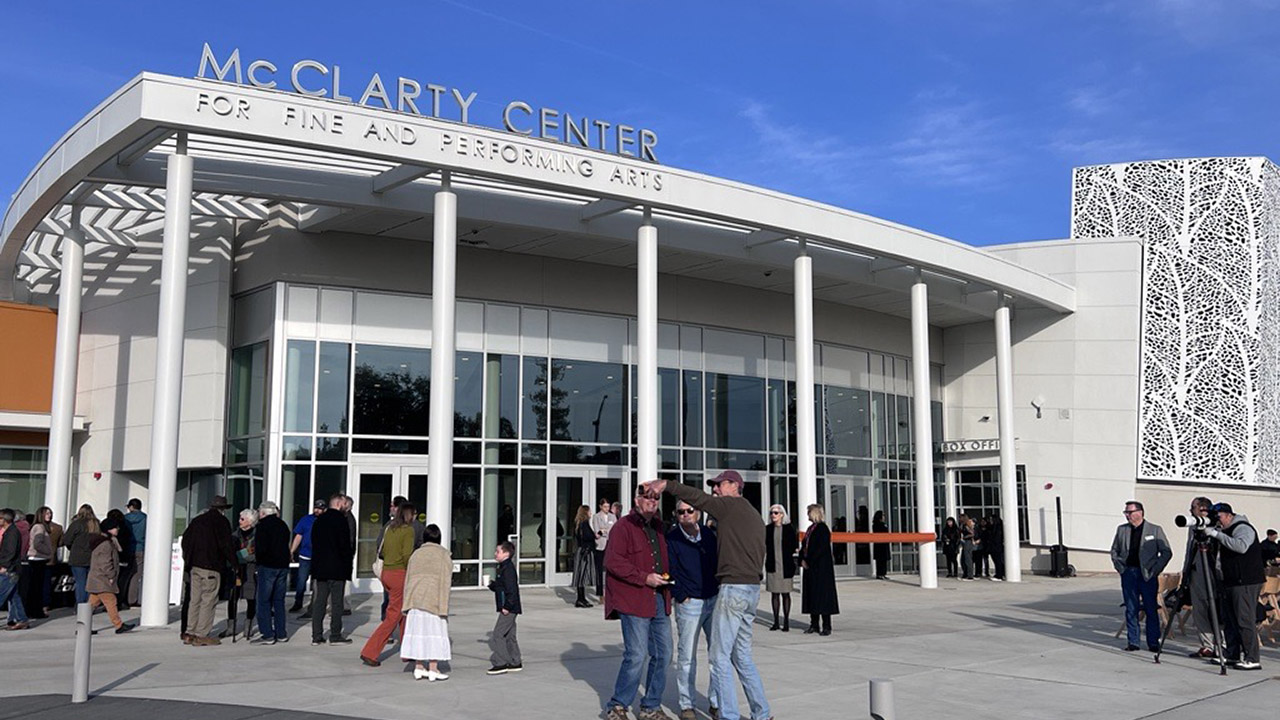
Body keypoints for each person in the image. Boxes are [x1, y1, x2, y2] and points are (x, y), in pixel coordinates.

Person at [647, 471, 771, 720]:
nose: (714, 490)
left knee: (719, 658)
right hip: (751, 590)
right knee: (742, 656)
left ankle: (729, 715)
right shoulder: (753, 515)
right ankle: (762, 713)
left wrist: (667, 484)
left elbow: (698, 498)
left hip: (733, 589)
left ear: (734, 486)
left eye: (718, 485)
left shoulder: (730, 506)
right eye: (713, 486)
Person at [601, 487, 671, 720]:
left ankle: (651, 706)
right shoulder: (623, 526)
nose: (652, 500)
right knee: (637, 655)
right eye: (647, 497)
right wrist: (644, 578)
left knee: (664, 655)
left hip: (659, 599)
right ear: (636, 500)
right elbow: (613, 561)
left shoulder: (659, 527)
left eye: (656, 497)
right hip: (634, 599)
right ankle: (617, 705)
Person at [667, 499, 719, 720]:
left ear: (697, 512)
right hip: (690, 604)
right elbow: (669, 570)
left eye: (690, 510)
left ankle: (716, 702)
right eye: (681, 512)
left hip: (713, 599)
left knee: (718, 655)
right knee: (687, 656)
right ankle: (687, 704)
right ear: (676, 514)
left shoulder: (708, 535)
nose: (686, 514)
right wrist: (681, 595)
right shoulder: (672, 538)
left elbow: (718, 561)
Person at [1202, 503, 1265, 670]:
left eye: (1219, 517)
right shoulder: (1223, 530)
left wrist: (1217, 534)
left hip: (1244, 581)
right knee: (1229, 619)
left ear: (1229, 515)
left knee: (1244, 619)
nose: (1217, 521)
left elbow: (1241, 547)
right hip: (1228, 580)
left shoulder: (1243, 527)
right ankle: (1232, 654)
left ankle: (1252, 658)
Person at [1109, 500, 1172, 652]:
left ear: (1140, 512)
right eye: (1126, 512)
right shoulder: (1122, 530)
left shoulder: (1154, 530)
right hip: (1129, 573)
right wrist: (1120, 568)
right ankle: (1133, 641)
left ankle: (1153, 642)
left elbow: (1166, 552)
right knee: (1131, 608)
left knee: (1151, 608)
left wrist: (1155, 569)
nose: (1127, 515)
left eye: (1130, 512)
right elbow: (1114, 550)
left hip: (1147, 575)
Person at [360, 503, 417, 666]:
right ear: (409, 515)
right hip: (399, 574)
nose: (415, 516)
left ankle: (408, 650)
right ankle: (370, 651)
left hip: (387, 573)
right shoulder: (408, 530)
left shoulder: (390, 528)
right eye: (414, 513)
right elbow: (407, 555)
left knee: (404, 613)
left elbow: (383, 550)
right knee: (394, 615)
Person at [181, 495, 235, 646]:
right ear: (223, 509)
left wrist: (188, 559)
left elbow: (186, 541)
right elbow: (226, 545)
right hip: (211, 566)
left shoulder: (197, 521)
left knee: (195, 599)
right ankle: (201, 634)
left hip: (195, 566)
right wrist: (235, 564)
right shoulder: (221, 522)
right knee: (208, 600)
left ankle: (190, 632)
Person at [402, 523, 453, 681]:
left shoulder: (416, 554)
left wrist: (406, 601)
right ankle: (433, 668)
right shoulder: (443, 555)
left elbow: (408, 578)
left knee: (418, 633)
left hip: (415, 599)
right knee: (434, 634)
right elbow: (446, 581)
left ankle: (418, 667)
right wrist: (444, 606)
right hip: (433, 600)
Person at [1177, 497, 1219, 659]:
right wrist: (1185, 571)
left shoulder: (1216, 524)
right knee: (1199, 610)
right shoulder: (1193, 526)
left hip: (1212, 572)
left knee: (1215, 609)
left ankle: (1221, 644)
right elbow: (1190, 549)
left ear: (1203, 509)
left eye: (1192, 508)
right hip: (1195, 573)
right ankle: (1207, 645)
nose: (1191, 512)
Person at [309, 494, 354, 645]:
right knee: (336, 603)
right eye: (345, 504)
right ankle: (335, 634)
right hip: (337, 568)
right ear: (339, 503)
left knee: (320, 602)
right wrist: (348, 567)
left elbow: (314, 542)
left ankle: (316, 635)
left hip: (321, 568)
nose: (347, 507)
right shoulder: (341, 520)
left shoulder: (319, 520)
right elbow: (345, 546)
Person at [377, 496, 425, 622]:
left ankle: (389, 622)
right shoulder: (413, 527)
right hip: (403, 569)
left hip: (391, 568)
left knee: (391, 601)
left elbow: (380, 545)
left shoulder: (391, 526)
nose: (391, 508)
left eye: (393, 506)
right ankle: (392, 625)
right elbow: (419, 547)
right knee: (402, 603)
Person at [252, 501, 292, 645]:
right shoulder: (283, 525)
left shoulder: (262, 526)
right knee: (279, 601)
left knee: (263, 601)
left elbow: (261, 548)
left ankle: (267, 634)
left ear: (263, 513)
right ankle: (281, 633)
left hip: (268, 566)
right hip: (282, 566)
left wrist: (259, 562)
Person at [86, 517, 133, 634]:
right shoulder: (106, 544)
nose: (117, 529)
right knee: (111, 601)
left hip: (97, 578)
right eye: (115, 527)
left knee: (91, 605)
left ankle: (83, 626)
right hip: (102, 579)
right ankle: (118, 625)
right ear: (108, 529)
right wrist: (111, 576)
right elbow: (105, 563)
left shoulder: (104, 541)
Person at [801, 503, 839, 635]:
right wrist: (802, 559)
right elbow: (805, 546)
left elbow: (821, 549)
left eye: (809, 512)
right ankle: (814, 624)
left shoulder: (822, 529)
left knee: (823, 597)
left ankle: (826, 626)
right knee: (812, 596)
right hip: (811, 569)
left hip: (821, 569)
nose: (807, 515)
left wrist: (809, 561)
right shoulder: (810, 529)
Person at [486, 540, 522, 675]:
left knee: (498, 634)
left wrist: (507, 606)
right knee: (509, 635)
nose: (495, 554)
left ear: (506, 553)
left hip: (509, 608)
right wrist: (491, 585)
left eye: (498, 551)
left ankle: (501, 663)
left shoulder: (508, 569)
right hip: (510, 607)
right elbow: (502, 587)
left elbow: (512, 590)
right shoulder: (503, 567)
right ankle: (515, 661)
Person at [764, 504, 796, 632]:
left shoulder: (789, 529)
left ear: (782, 514)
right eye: (772, 513)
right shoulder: (768, 529)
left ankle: (786, 621)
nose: (773, 515)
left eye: (776, 513)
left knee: (786, 594)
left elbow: (793, 545)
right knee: (774, 594)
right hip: (773, 565)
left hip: (785, 565)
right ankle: (776, 621)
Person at [228, 508, 258, 640]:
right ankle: (231, 626)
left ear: (250, 521)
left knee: (251, 597)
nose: (239, 521)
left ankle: (248, 627)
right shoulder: (235, 535)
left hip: (251, 569)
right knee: (233, 596)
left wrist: (244, 556)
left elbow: (257, 553)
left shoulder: (257, 535)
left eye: (242, 519)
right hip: (237, 569)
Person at [291, 499, 325, 614]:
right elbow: (298, 536)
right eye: (316, 508)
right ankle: (298, 603)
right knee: (301, 581)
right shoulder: (305, 520)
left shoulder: (326, 521)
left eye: (320, 509)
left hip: (319, 557)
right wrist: (292, 551)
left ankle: (315, 605)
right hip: (305, 555)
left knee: (317, 583)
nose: (317, 510)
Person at [62, 504, 99, 604]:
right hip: (92, 556)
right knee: (89, 583)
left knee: (80, 582)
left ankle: (81, 605)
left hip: (77, 556)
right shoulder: (96, 524)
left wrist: (72, 547)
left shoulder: (76, 524)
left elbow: (67, 540)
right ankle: (89, 604)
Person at [0, 508, 30, 630]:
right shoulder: (10, 531)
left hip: (9, 570)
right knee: (14, 596)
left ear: (5, 520)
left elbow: (10, 552)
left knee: (2, 594)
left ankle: (21, 619)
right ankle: (21, 619)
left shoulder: (12, 533)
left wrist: (4, 566)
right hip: (12, 569)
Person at [22, 507, 53, 619]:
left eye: (50, 513)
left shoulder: (40, 527)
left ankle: (33, 610)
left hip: (38, 559)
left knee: (35, 587)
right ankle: (35, 611)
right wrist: (48, 551)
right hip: (37, 559)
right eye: (47, 513)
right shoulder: (39, 527)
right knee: (36, 587)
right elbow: (37, 543)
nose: (49, 515)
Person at [105, 508, 135, 610]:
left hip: (115, 556)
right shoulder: (126, 526)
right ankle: (121, 600)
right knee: (123, 580)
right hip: (126, 555)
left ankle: (112, 602)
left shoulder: (110, 530)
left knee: (113, 580)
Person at [591, 498, 617, 598]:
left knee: (610, 568)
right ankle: (600, 592)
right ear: (600, 506)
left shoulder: (612, 516)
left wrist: (604, 530)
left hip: (610, 544)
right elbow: (597, 532)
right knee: (599, 569)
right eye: (605, 507)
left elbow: (614, 529)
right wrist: (605, 531)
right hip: (600, 545)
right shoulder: (596, 517)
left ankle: (610, 591)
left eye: (608, 507)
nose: (607, 509)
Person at [572, 505, 597, 608]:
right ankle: (581, 599)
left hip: (581, 551)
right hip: (585, 552)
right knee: (582, 576)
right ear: (585, 513)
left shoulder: (578, 524)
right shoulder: (584, 524)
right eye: (589, 511)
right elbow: (587, 536)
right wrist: (595, 535)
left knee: (580, 576)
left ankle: (581, 598)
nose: (591, 513)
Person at [123, 499, 146, 608]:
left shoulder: (125, 518)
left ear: (132, 507)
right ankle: (132, 599)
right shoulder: (145, 518)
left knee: (125, 574)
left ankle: (123, 597)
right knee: (136, 575)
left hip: (127, 548)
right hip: (140, 548)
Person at [872, 510, 890, 579]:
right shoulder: (876, 525)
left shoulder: (883, 524)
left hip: (884, 544)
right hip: (879, 545)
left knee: (884, 560)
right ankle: (879, 574)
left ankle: (883, 573)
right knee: (880, 560)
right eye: (883, 515)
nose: (884, 517)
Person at [987, 512, 1006, 581]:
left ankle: (999, 575)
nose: (990, 521)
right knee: (996, 561)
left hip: (997, 547)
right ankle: (999, 574)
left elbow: (997, 539)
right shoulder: (992, 527)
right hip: (994, 547)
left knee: (998, 561)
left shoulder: (998, 528)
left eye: (991, 519)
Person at [959, 514, 975, 581]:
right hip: (964, 542)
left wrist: (965, 537)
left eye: (960, 518)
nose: (959, 519)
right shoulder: (962, 525)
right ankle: (965, 573)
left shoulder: (967, 525)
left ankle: (970, 575)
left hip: (968, 542)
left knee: (967, 558)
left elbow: (972, 533)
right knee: (963, 559)